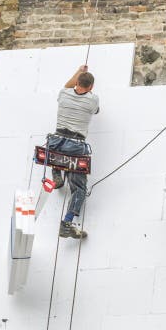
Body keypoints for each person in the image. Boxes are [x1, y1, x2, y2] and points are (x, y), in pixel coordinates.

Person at [49, 65, 99, 239]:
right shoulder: (93, 100)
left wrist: (78, 71)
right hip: (76, 145)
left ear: (76, 82)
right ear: (91, 87)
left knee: (54, 151)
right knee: (79, 189)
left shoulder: (64, 93)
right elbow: (96, 111)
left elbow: (67, 85)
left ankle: (57, 175)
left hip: (56, 142)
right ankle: (67, 223)